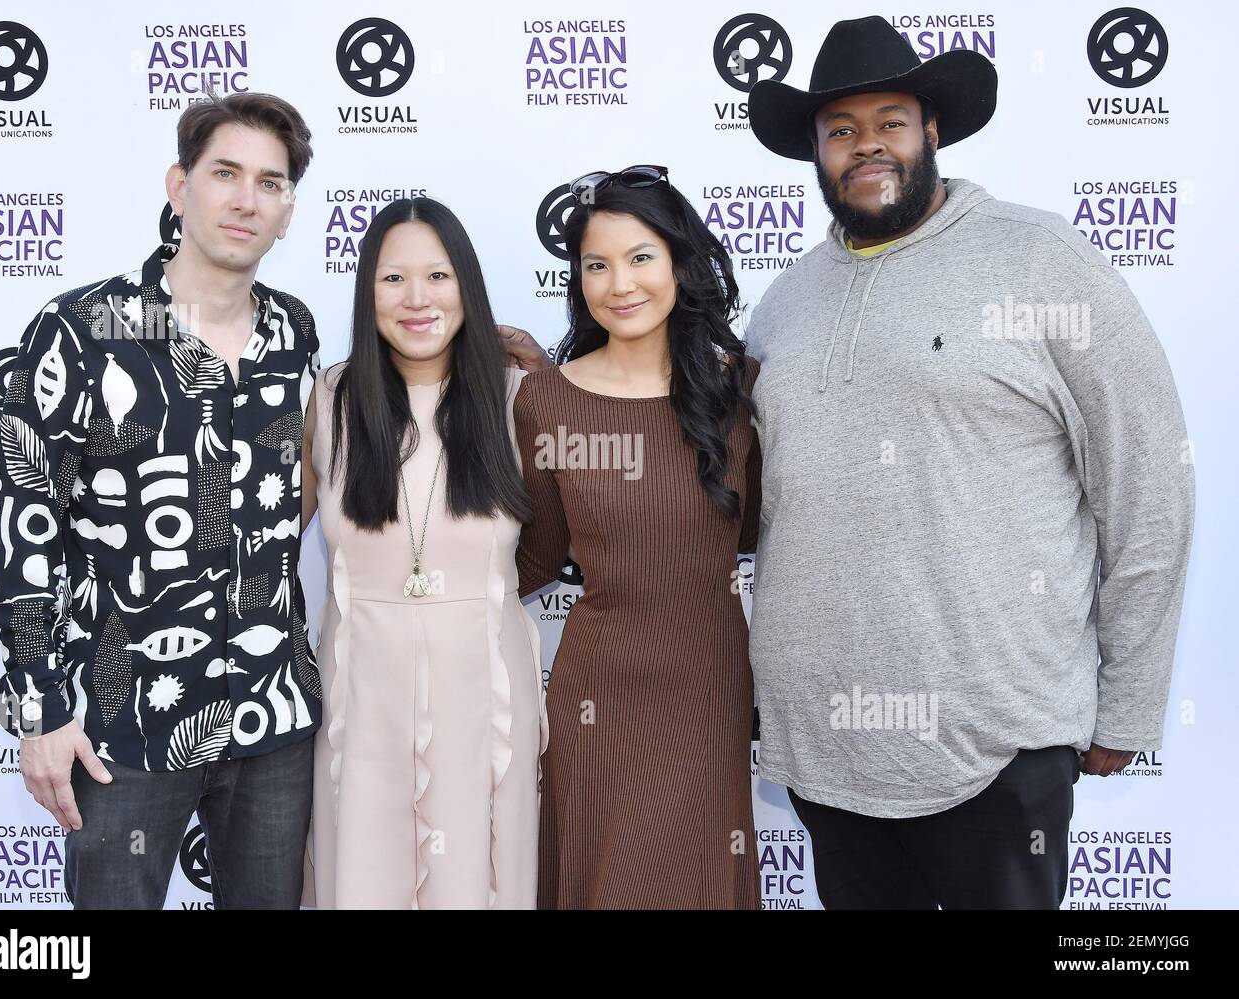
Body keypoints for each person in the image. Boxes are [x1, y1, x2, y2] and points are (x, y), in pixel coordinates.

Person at [744, 16, 1195, 908]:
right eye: (841, 130)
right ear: (816, 153)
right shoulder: (784, 301)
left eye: (890, 121)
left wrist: (1129, 706)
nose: (866, 145)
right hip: (827, 754)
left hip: (999, 749)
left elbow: (1149, 482)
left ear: (932, 130)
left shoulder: (1040, 260)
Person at [0, 92, 324, 908]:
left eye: (271, 184)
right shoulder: (82, 329)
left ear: (287, 212)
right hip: (122, 719)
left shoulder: (295, 333)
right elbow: (26, 524)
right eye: (226, 174)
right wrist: (38, 710)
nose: (248, 199)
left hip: (271, 712)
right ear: (179, 186)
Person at [514, 166, 762, 909]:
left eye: (640, 257)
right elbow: (534, 557)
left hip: (710, 690)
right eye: (596, 264)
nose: (618, 282)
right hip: (598, 699)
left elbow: (757, 532)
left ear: (681, 265)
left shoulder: (739, 391)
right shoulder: (545, 398)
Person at [301, 198, 546, 909]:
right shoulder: (331, 399)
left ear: (467, 285)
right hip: (361, 696)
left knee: (483, 879)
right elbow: (260, 533)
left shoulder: (519, 398)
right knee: (362, 876)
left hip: (486, 695)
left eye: (438, 276)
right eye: (392, 279)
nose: (417, 299)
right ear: (365, 292)